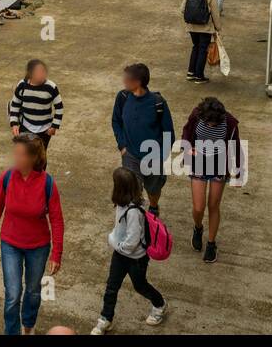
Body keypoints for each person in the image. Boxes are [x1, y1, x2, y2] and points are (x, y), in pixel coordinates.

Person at [0, 135, 63, 335]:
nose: (15, 157)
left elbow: (56, 219)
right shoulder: (7, 177)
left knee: (33, 291)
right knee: (12, 294)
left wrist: (57, 253)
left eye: (20, 154)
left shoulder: (48, 184)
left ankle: (28, 325)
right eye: (15, 153)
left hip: (38, 246)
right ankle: (11, 332)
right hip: (10, 243)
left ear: (33, 158)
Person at [89, 166, 167, 333]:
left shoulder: (133, 212)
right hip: (120, 255)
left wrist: (112, 241)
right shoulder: (121, 204)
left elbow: (131, 243)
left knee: (140, 286)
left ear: (120, 188)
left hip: (136, 258)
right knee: (111, 287)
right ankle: (105, 318)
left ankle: (159, 304)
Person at [181, 96, 244, 264]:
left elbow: (235, 145)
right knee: (198, 206)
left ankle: (211, 244)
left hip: (219, 166)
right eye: (209, 123)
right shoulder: (196, 115)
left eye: (215, 124)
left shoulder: (229, 122)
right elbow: (186, 132)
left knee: (214, 205)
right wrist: (187, 149)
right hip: (199, 163)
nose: (212, 126)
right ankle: (198, 228)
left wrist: (238, 170)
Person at [110, 63, 173, 217]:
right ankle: (135, 218)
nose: (124, 81)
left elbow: (168, 132)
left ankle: (153, 207)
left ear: (137, 82)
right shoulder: (123, 97)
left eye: (127, 79)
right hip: (130, 155)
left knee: (154, 188)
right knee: (131, 192)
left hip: (153, 156)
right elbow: (116, 121)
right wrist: (122, 145)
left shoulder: (158, 103)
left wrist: (162, 156)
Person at [8, 59, 64, 145]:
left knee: (40, 154)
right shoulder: (22, 85)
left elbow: (59, 107)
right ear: (30, 74)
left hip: (44, 129)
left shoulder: (51, 87)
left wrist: (54, 126)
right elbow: (15, 104)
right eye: (38, 72)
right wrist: (14, 124)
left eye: (43, 71)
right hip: (25, 126)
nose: (42, 75)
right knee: (26, 152)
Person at [181, 0, 221, 84]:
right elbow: (215, 14)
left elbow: (182, 9)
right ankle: (199, 76)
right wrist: (218, 28)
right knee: (203, 50)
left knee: (195, 47)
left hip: (192, 27)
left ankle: (191, 72)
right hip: (205, 28)